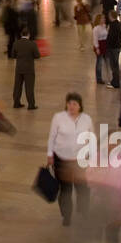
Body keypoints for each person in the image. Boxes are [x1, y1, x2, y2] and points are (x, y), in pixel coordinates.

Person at [46, 93, 93, 227]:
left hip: (80, 161)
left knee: (82, 188)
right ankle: (66, 215)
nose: (71, 106)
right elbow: (52, 137)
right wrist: (50, 154)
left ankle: (83, 211)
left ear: (80, 106)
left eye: (75, 104)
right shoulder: (58, 118)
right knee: (65, 190)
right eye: (69, 103)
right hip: (62, 160)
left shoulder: (86, 119)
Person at [11, 27, 40, 110]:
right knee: (29, 87)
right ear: (29, 35)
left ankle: (16, 103)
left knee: (17, 86)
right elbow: (37, 56)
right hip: (29, 69)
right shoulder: (32, 44)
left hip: (19, 68)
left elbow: (13, 55)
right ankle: (31, 105)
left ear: (21, 34)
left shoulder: (16, 43)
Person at [104, 8, 121, 89]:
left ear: (111, 16)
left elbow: (111, 37)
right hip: (118, 46)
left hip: (113, 47)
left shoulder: (112, 25)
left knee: (114, 66)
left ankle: (115, 83)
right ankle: (115, 80)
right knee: (116, 65)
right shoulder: (119, 24)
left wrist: (107, 45)